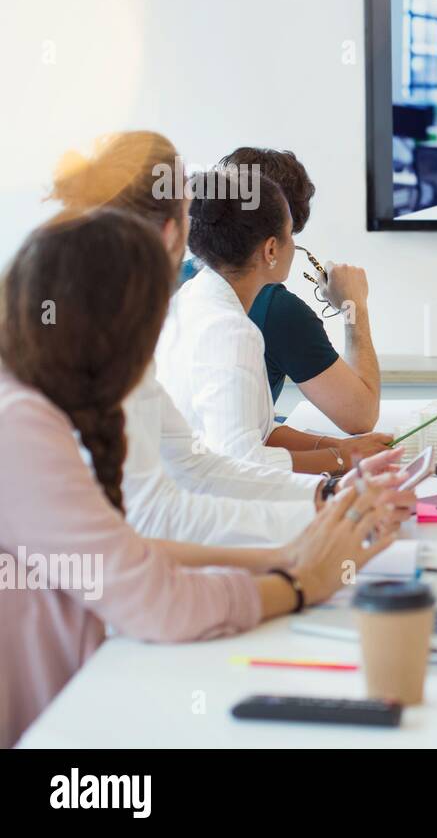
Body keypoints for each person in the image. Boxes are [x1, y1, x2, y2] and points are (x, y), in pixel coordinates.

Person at [0, 208, 404, 747]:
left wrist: (294, 547)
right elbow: (151, 595)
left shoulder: (45, 388)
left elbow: (130, 544)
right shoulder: (20, 423)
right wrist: (299, 581)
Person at [45, 132, 405, 544]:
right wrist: (337, 493)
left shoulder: (174, 307)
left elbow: (201, 463)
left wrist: (334, 490)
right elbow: (191, 489)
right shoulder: (224, 325)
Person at [156, 165, 391, 474]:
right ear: (270, 249)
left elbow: (254, 431)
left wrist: (341, 449)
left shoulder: (190, 297)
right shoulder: (234, 330)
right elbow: (242, 460)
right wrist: (342, 459)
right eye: (290, 233)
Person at [218, 147, 381, 434]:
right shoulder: (278, 310)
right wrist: (354, 306)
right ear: (272, 244)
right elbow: (360, 416)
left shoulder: (172, 278)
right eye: (290, 233)